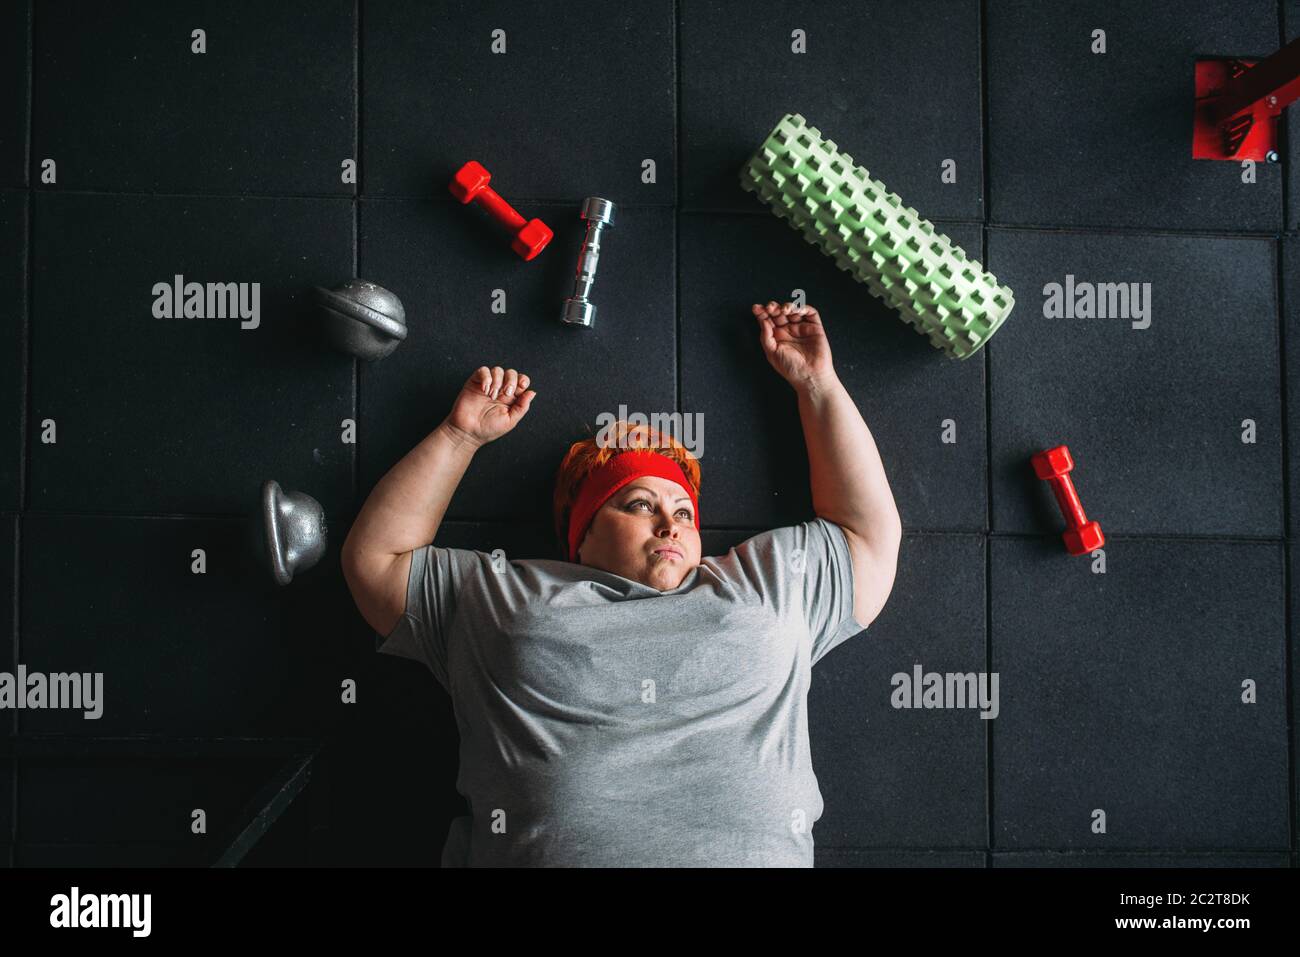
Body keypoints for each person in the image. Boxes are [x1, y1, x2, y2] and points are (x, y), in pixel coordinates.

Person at [341, 300, 903, 867]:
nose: (670, 525)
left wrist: (817, 384)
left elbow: (867, 537)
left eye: (685, 514)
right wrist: (459, 437)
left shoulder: (767, 583)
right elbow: (376, 561)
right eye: (640, 504)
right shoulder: (508, 598)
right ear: (580, 535)